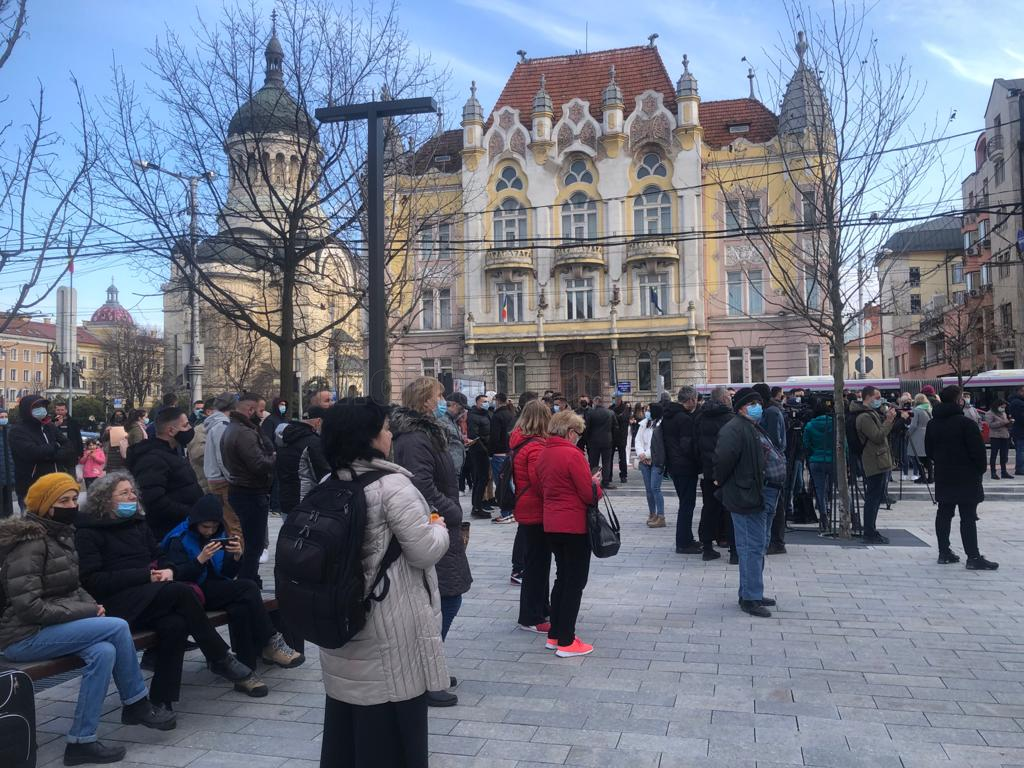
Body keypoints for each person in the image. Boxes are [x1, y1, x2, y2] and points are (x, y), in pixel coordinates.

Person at [0, 473, 175, 765]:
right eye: (64, 500)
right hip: (23, 636)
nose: (72, 505)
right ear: (45, 506)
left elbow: (74, 586)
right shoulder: (30, 543)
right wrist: (87, 611)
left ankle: (81, 741)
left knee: (103, 651)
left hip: (52, 627)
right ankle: (136, 703)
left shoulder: (60, 535)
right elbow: (29, 607)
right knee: (117, 626)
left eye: (73, 498)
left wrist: (93, 605)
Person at [317, 398, 449, 768]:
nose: (390, 434)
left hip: (343, 613)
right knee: (392, 712)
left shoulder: (329, 481)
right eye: (386, 428)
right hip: (390, 615)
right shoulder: (393, 486)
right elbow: (423, 552)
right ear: (370, 437)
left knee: (349, 711)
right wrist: (438, 528)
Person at [75, 472, 254, 711]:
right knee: (180, 592)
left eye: (132, 492)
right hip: (115, 602)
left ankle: (161, 700)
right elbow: (93, 580)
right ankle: (219, 656)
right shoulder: (89, 532)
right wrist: (145, 576)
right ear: (106, 499)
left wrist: (168, 569)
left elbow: (159, 556)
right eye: (124, 493)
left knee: (175, 624)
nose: (132, 497)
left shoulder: (138, 523)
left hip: (147, 593)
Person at [162, 494, 303, 696]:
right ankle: (270, 641)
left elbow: (226, 573)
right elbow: (178, 576)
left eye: (213, 527)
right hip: (192, 595)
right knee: (248, 587)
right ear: (195, 523)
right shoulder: (179, 539)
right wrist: (200, 560)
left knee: (241, 607)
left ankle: (246, 675)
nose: (209, 531)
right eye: (205, 527)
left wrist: (236, 556)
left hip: (215, 589)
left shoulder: (217, 535)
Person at [390, 377, 471, 707]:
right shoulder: (415, 436)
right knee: (444, 600)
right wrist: (451, 510)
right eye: (438, 396)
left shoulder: (425, 432)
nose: (443, 401)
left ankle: (428, 668)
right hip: (432, 524)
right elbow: (420, 483)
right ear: (425, 400)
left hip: (438, 523)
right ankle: (423, 673)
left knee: (442, 599)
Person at [536, 410, 601, 657]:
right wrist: (596, 483)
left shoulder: (544, 453)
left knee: (562, 578)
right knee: (575, 583)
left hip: (552, 523)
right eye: (578, 434)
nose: (579, 439)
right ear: (570, 432)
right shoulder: (572, 455)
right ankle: (566, 640)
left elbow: (542, 487)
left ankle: (554, 634)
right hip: (574, 525)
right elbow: (588, 494)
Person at [714, 388, 783, 618]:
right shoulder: (734, 429)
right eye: (753, 403)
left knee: (758, 545)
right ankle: (750, 598)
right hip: (746, 495)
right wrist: (722, 481)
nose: (758, 407)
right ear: (742, 407)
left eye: (759, 403)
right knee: (751, 547)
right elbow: (723, 460)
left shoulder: (751, 426)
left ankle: (751, 591)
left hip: (761, 493)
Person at [925, 386, 999, 570]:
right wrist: (978, 470)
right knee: (967, 516)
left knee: (944, 513)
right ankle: (973, 557)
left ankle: (944, 552)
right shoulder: (965, 423)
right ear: (958, 400)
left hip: (944, 474)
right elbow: (978, 453)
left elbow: (929, 451)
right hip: (967, 475)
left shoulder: (933, 423)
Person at [221, 392, 276, 586]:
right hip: (250, 491)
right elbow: (259, 464)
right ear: (250, 410)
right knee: (255, 542)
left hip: (242, 488)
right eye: (260, 410)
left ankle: (250, 576)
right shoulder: (243, 432)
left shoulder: (234, 428)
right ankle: (248, 579)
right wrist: (274, 457)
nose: (263, 415)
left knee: (251, 539)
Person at [125, 407, 204, 541]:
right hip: (169, 532)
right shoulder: (153, 459)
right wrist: (190, 512)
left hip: (180, 528)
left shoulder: (171, 453)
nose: (190, 428)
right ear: (171, 431)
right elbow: (153, 499)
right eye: (185, 425)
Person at [511, 400, 551, 632]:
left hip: (526, 507)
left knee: (538, 562)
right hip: (536, 510)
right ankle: (531, 616)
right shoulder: (535, 446)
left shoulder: (521, 441)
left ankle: (541, 608)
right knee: (537, 565)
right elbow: (540, 482)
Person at [9, 395, 74, 512]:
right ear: (27, 410)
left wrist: (54, 455)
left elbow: (68, 446)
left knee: (57, 525)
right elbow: (33, 453)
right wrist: (55, 447)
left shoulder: (49, 426)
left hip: (56, 486)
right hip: (31, 488)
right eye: (37, 407)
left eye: (43, 406)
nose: (42, 409)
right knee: (32, 526)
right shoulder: (17, 431)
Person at [694, 386, 735, 562]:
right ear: (724, 399)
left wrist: (702, 465)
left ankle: (707, 547)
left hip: (708, 471)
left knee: (709, 508)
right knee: (731, 510)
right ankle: (735, 551)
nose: (731, 399)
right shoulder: (730, 418)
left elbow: (695, 445)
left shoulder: (700, 417)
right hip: (727, 472)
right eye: (729, 396)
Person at [851, 386, 897, 544]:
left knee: (876, 497)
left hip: (879, 459)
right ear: (867, 397)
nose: (880, 400)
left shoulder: (870, 414)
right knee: (873, 498)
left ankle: (871, 530)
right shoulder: (864, 417)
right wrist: (889, 421)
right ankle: (869, 532)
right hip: (873, 460)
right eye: (877, 397)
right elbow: (877, 437)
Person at [661, 386, 700, 553]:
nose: (697, 403)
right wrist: (697, 460)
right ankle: (683, 543)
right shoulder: (684, 419)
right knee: (687, 505)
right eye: (696, 400)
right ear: (690, 400)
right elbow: (686, 446)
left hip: (673, 466)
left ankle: (687, 538)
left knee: (684, 503)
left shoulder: (668, 416)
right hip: (685, 467)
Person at [203, 393, 244, 548]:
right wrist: (232, 477)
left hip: (216, 479)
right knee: (234, 524)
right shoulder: (222, 426)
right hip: (223, 481)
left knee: (228, 522)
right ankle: (238, 559)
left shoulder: (214, 424)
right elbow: (223, 457)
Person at [276, 406, 331, 516]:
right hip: (305, 501)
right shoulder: (313, 442)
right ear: (318, 422)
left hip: (285, 499)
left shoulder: (286, 438)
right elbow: (323, 474)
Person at [754, 384, 787, 555]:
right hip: (770, 461)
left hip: (773, 463)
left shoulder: (771, 413)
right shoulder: (770, 411)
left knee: (775, 504)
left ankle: (777, 541)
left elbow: (773, 440)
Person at [802, 398, 834, 527]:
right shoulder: (835, 423)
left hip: (816, 460)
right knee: (838, 487)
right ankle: (849, 513)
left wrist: (811, 456)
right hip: (833, 460)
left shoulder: (810, 425)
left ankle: (823, 514)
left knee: (819, 489)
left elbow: (806, 444)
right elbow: (844, 444)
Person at [635, 402, 667, 527]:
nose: (646, 412)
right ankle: (652, 513)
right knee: (649, 490)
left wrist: (646, 455)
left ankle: (661, 515)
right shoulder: (644, 424)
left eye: (649, 410)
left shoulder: (660, 425)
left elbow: (657, 444)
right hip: (644, 461)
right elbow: (638, 440)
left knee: (655, 488)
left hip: (656, 460)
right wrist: (641, 454)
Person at [488, 392, 518, 521]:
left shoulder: (497, 416)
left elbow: (494, 436)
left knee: (501, 484)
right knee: (508, 482)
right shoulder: (511, 414)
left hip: (499, 452)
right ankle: (512, 510)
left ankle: (507, 511)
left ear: (497, 401)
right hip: (509, 451)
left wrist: (490, 452)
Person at [467, 393, 492, 519]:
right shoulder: (473, 416)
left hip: (485, 450)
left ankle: (477, 505)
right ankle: (477, 507)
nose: (485, 403)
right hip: (478, 451)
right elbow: (474, 435)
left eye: (487, 401)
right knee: (481, 479)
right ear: (477, 402)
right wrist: (485, 450)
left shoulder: (485, 414)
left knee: (483, 479)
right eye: (483, 401)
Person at [583, 395, 615, 489]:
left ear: (594, 403)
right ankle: (606, 482)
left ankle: (593, 482)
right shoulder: (610, 413)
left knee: (593, 462)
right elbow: (615, 427)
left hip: (593, 442)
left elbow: (587, 428)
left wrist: (586, 439)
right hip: (607, 441)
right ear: (602, 403)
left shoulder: (590, 413)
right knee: (607, 462)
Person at [188, 397, 216, 491]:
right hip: (206, 483)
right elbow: (199, 456)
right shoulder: (199, 430)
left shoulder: (216, 428)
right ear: (209, 412)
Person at [985, 399, 1013, 480]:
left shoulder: (1003, 413)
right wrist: (1004, 422)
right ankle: (993, 472)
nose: (1003, 408)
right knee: (994, 455)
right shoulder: (989, 413)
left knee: (1004, 455)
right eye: (1002, 406)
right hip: (995, 436)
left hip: (1005, 436)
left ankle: (1004, 471)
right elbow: (991, 425)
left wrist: (1009, 423)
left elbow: (1005, 422)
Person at [53, 402, 84, 473]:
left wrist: (80, 453)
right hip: (56, 453)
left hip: (71, 453)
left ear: (66, 410)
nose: (60, 412)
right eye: (58, 410)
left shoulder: (73, 422)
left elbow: (78, 437)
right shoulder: (50, 422)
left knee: (71, 474)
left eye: (62, 410)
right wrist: (56, 425)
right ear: (55, 411)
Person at [908, 394, 933, 484]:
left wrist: (908, 433)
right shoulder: (929, 409)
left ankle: (922, 477)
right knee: (927, 458)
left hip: (917, 435)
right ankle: (930, 477)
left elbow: (914, 425)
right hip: (927, 433)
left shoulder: (917, 410)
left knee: (917, 458)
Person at [101, 409, 129, 474]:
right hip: (112, 453)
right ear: (114, 416)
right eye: (116, 415)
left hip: (124, 452)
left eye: (120, 414)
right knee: (111, 474)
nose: (118, 416)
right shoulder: (110, 425)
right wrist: (107, 432)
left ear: (123, 415)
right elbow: (104, 439)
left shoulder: (128, 426)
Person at [611, 396, 631, 483]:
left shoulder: (625, 408)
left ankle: (623, 475)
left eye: (616, 398)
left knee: (622, 456)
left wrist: (614, 416)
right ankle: (609, 475)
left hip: (622, 436)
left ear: (620, 399)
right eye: (614, 398)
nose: (615, 400)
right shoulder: (611, 408)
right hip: (612, 436)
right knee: (609, 457)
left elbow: (623, 418)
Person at [0, 408, 14, 519]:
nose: (4, 419)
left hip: (9, 473)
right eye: (1, 417)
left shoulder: (11, 432)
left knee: (8, 502)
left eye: (6, 417)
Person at [1009, 385, 1024, 476]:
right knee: (1021, 451)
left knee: (1020, 450)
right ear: (1019, 391)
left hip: (1019, 431)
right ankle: (1020, 469)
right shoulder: (1019, 403)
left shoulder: (1016, 402)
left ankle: (1020, 468)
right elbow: (1021, 417)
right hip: (1021, 431)